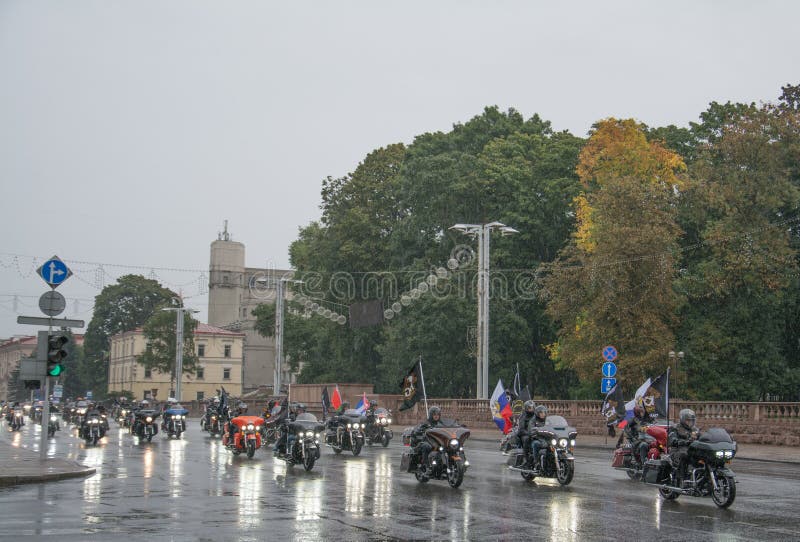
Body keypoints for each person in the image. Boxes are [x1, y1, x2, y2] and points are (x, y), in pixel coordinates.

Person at [668, 408, 700, 488]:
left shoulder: (695, 430)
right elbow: (672, 440)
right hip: (677, 451)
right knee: (684, 455)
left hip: (692, 451)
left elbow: (703, 437)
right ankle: (682, 479)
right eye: (687, 420)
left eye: (691, 420)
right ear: (682, 420)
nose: (690, 422)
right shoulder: (675, 428)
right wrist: (683, 442)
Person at [624, 396, 656, 466]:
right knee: (643, 445)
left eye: (643, 409)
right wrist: (634, 438)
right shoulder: (632, 420)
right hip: (637, 440)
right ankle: (644, 463)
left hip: (649, 439)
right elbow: (628, 430)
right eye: (641, 409)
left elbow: (655, 426)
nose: (643, 411)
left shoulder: (649, 419)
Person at [412, 406, 445, 471]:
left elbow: (448, 427)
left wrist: (457, 427)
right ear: (431, 415)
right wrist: (421, 430)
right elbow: (418, 430)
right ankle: (426, 465)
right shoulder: (426, 423)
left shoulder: (441, 423)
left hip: (438, 442)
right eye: (434, 414)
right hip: (428, 441)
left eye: (438, 414)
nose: (436, 416)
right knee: (426, 446)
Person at [529, 405, 550, 470]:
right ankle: (536, 462)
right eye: (541, 413)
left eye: (544, 412)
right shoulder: (533, 420)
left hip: (546, 439)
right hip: (536, 439)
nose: (543, 414)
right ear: (537, 413)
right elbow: (531, 429)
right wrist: (534, 432)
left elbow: (552, 427)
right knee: (536, 444)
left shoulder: (547, 420)